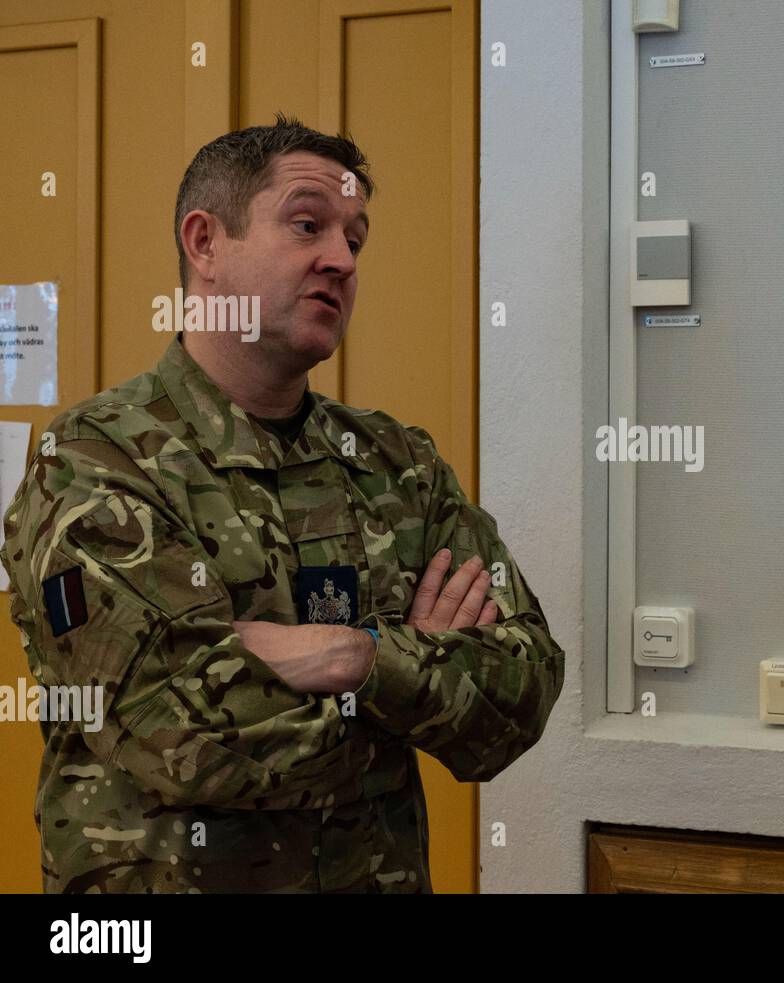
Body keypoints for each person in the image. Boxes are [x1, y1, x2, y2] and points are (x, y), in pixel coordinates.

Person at [1, 114, 564, 893]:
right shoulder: (95, 461)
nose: (340, 259)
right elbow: (184, 731)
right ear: (204, 242)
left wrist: (353, 656)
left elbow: (521, 695)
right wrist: (417, 680)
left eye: (355, 239)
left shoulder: (401, 466)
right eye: (308, 225)